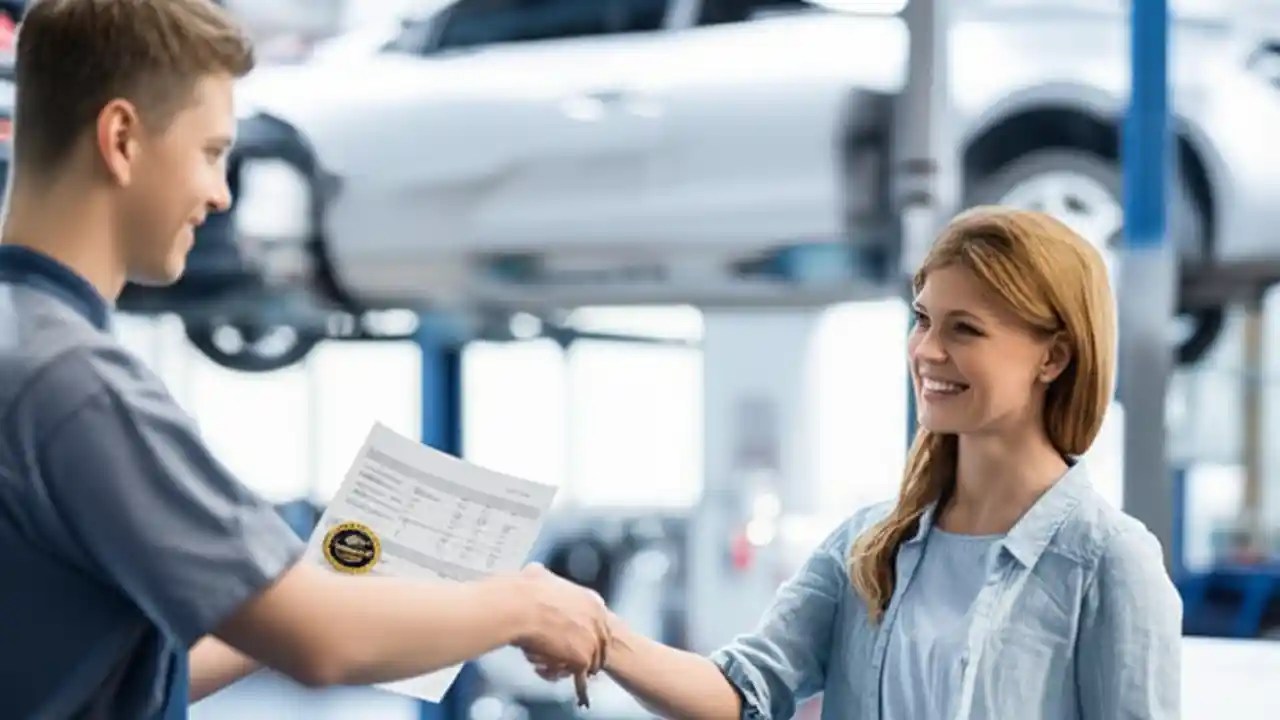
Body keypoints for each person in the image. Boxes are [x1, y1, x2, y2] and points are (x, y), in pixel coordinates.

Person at [0, 1, 609, 718]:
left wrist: (279, 593)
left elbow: (91, 679)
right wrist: (519, 605)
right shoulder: (76, 386)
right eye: (210, 152)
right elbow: (326, 647)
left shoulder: (23, 352)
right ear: (123, 138)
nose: (219, 193)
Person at [531, 207, 1183, 719]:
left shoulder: (1108, 564)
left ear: (1054, 357)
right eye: (923, 319)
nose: (926, 350)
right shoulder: (869, 548)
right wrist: (602, 635)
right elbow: (742, 692)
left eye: (965, 329)